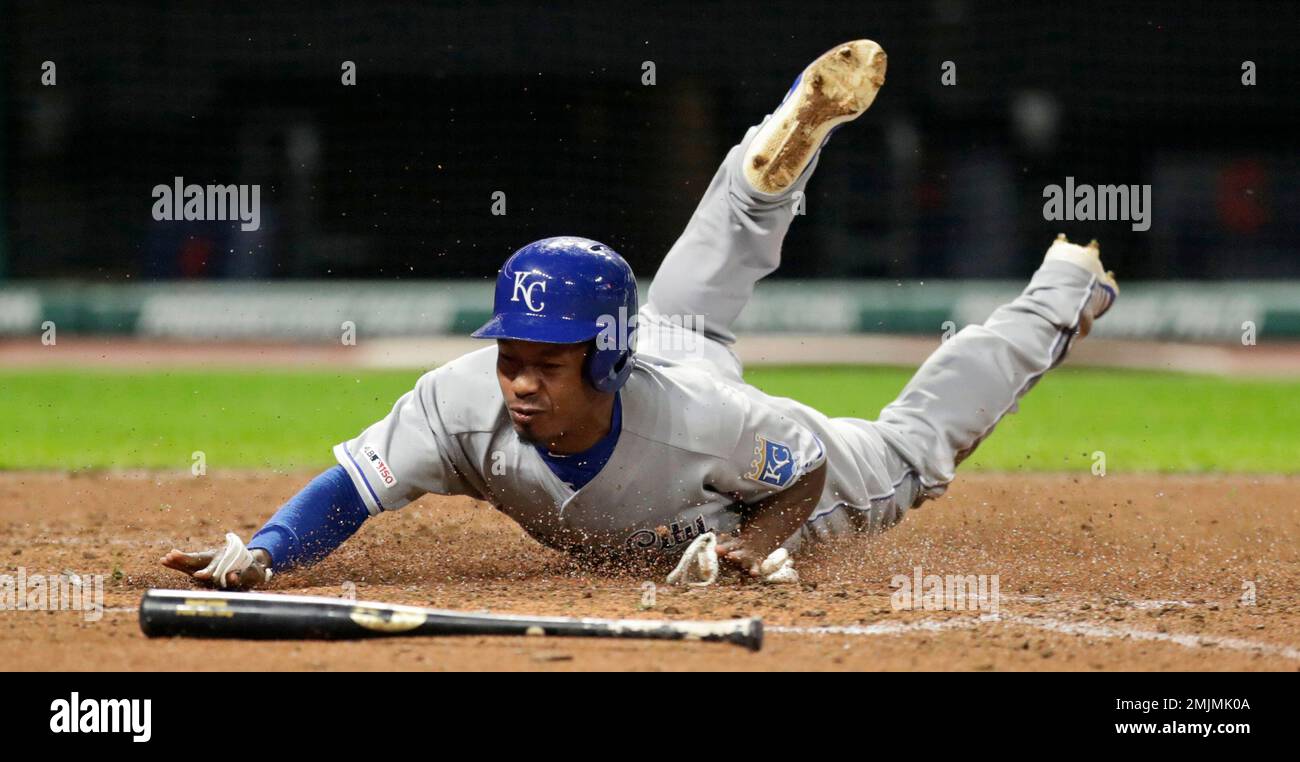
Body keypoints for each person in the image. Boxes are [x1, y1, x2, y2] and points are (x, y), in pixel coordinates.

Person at [162, 39, 1117, 589]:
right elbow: (349, 490)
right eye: (511, 356)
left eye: (547, 364)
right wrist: (263, 551)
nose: (520, 383)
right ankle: (763, 162)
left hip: (717, 437)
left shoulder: (708, 424)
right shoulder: (460, 401)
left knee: (909, 454)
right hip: (662, 345)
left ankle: (1064, 290)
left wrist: (754, 542)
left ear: (600, 360)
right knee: (689, 303)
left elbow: (807, 464)